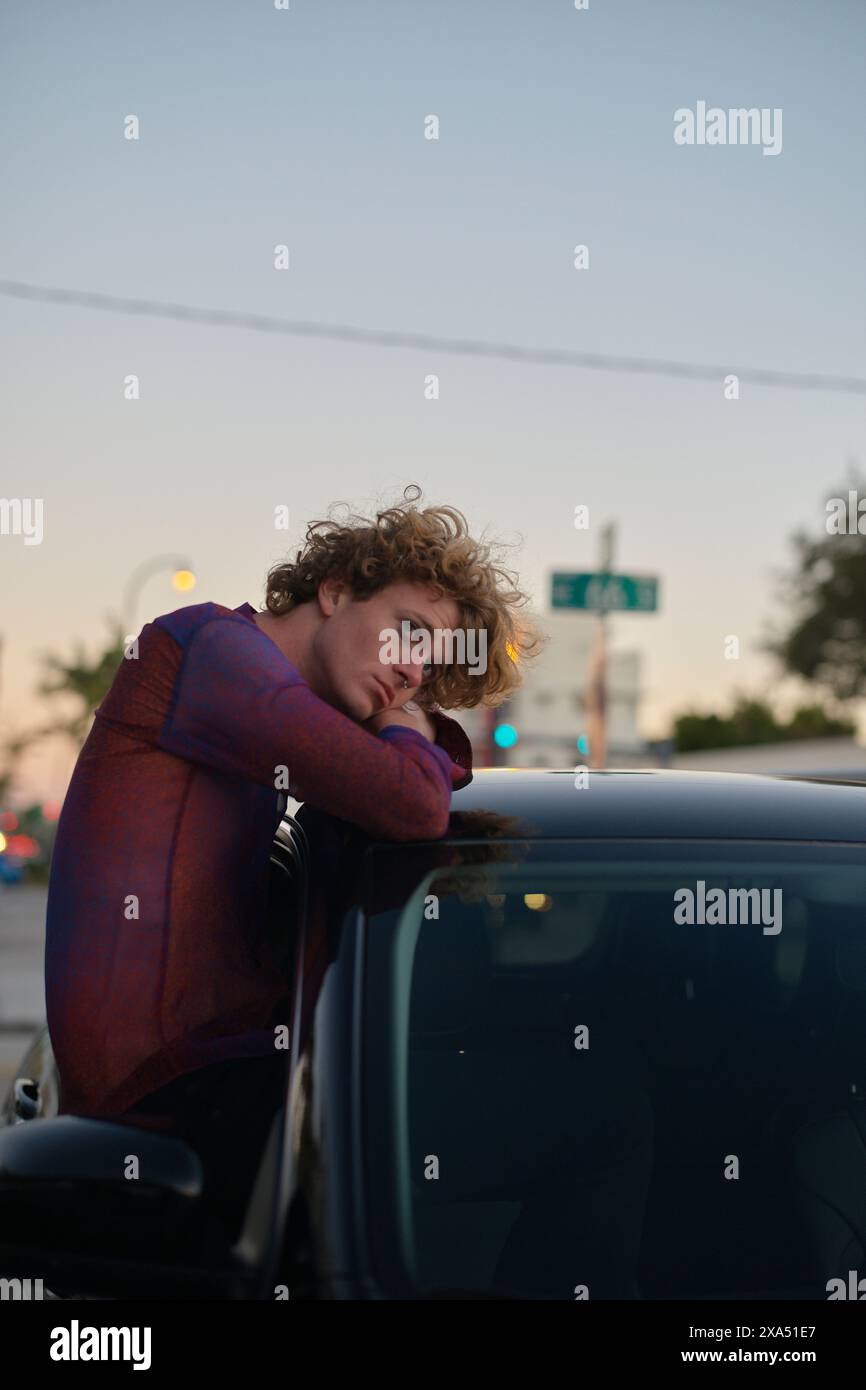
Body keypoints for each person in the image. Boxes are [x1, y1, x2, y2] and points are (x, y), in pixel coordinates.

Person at [44, 485, 543, 1235]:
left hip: (231, 1075)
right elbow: (411, 801)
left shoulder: (268, 722)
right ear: (336, 588)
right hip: (161, 1104)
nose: (410, 674)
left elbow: (413, 794)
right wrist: (405, 722)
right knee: (597, 1129)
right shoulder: (206, 650)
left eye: (428, 669)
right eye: (406, 632)